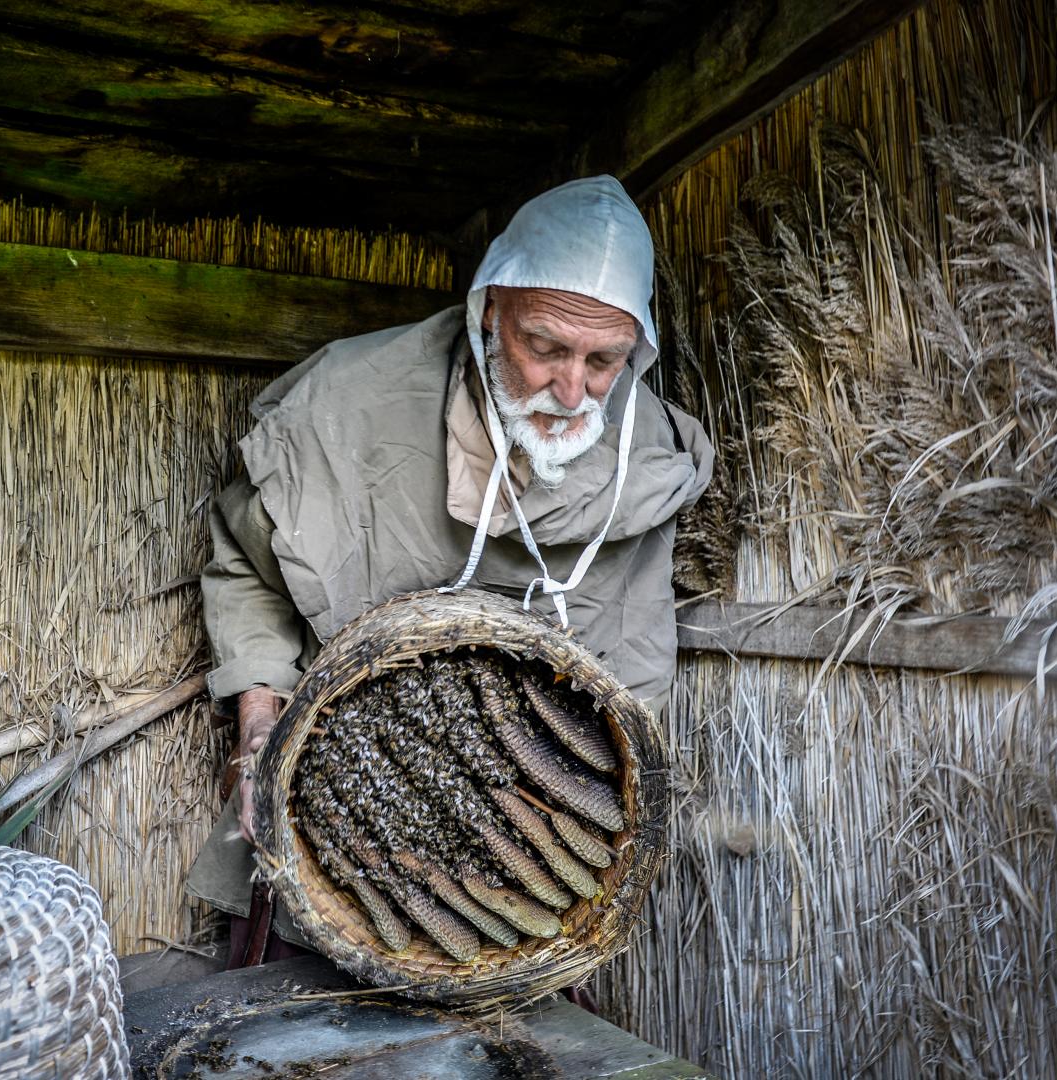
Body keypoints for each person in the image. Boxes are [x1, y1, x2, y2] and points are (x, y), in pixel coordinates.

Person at [186, 175, 715, 963]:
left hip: (520, 862)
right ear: (490, 310)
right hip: (340, 820)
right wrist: (260, 717)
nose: (572, 390)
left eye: (604, 359)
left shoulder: (643, 462)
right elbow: (251, 565)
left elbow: (630, 667)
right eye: (545, 348)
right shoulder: (349, 405)